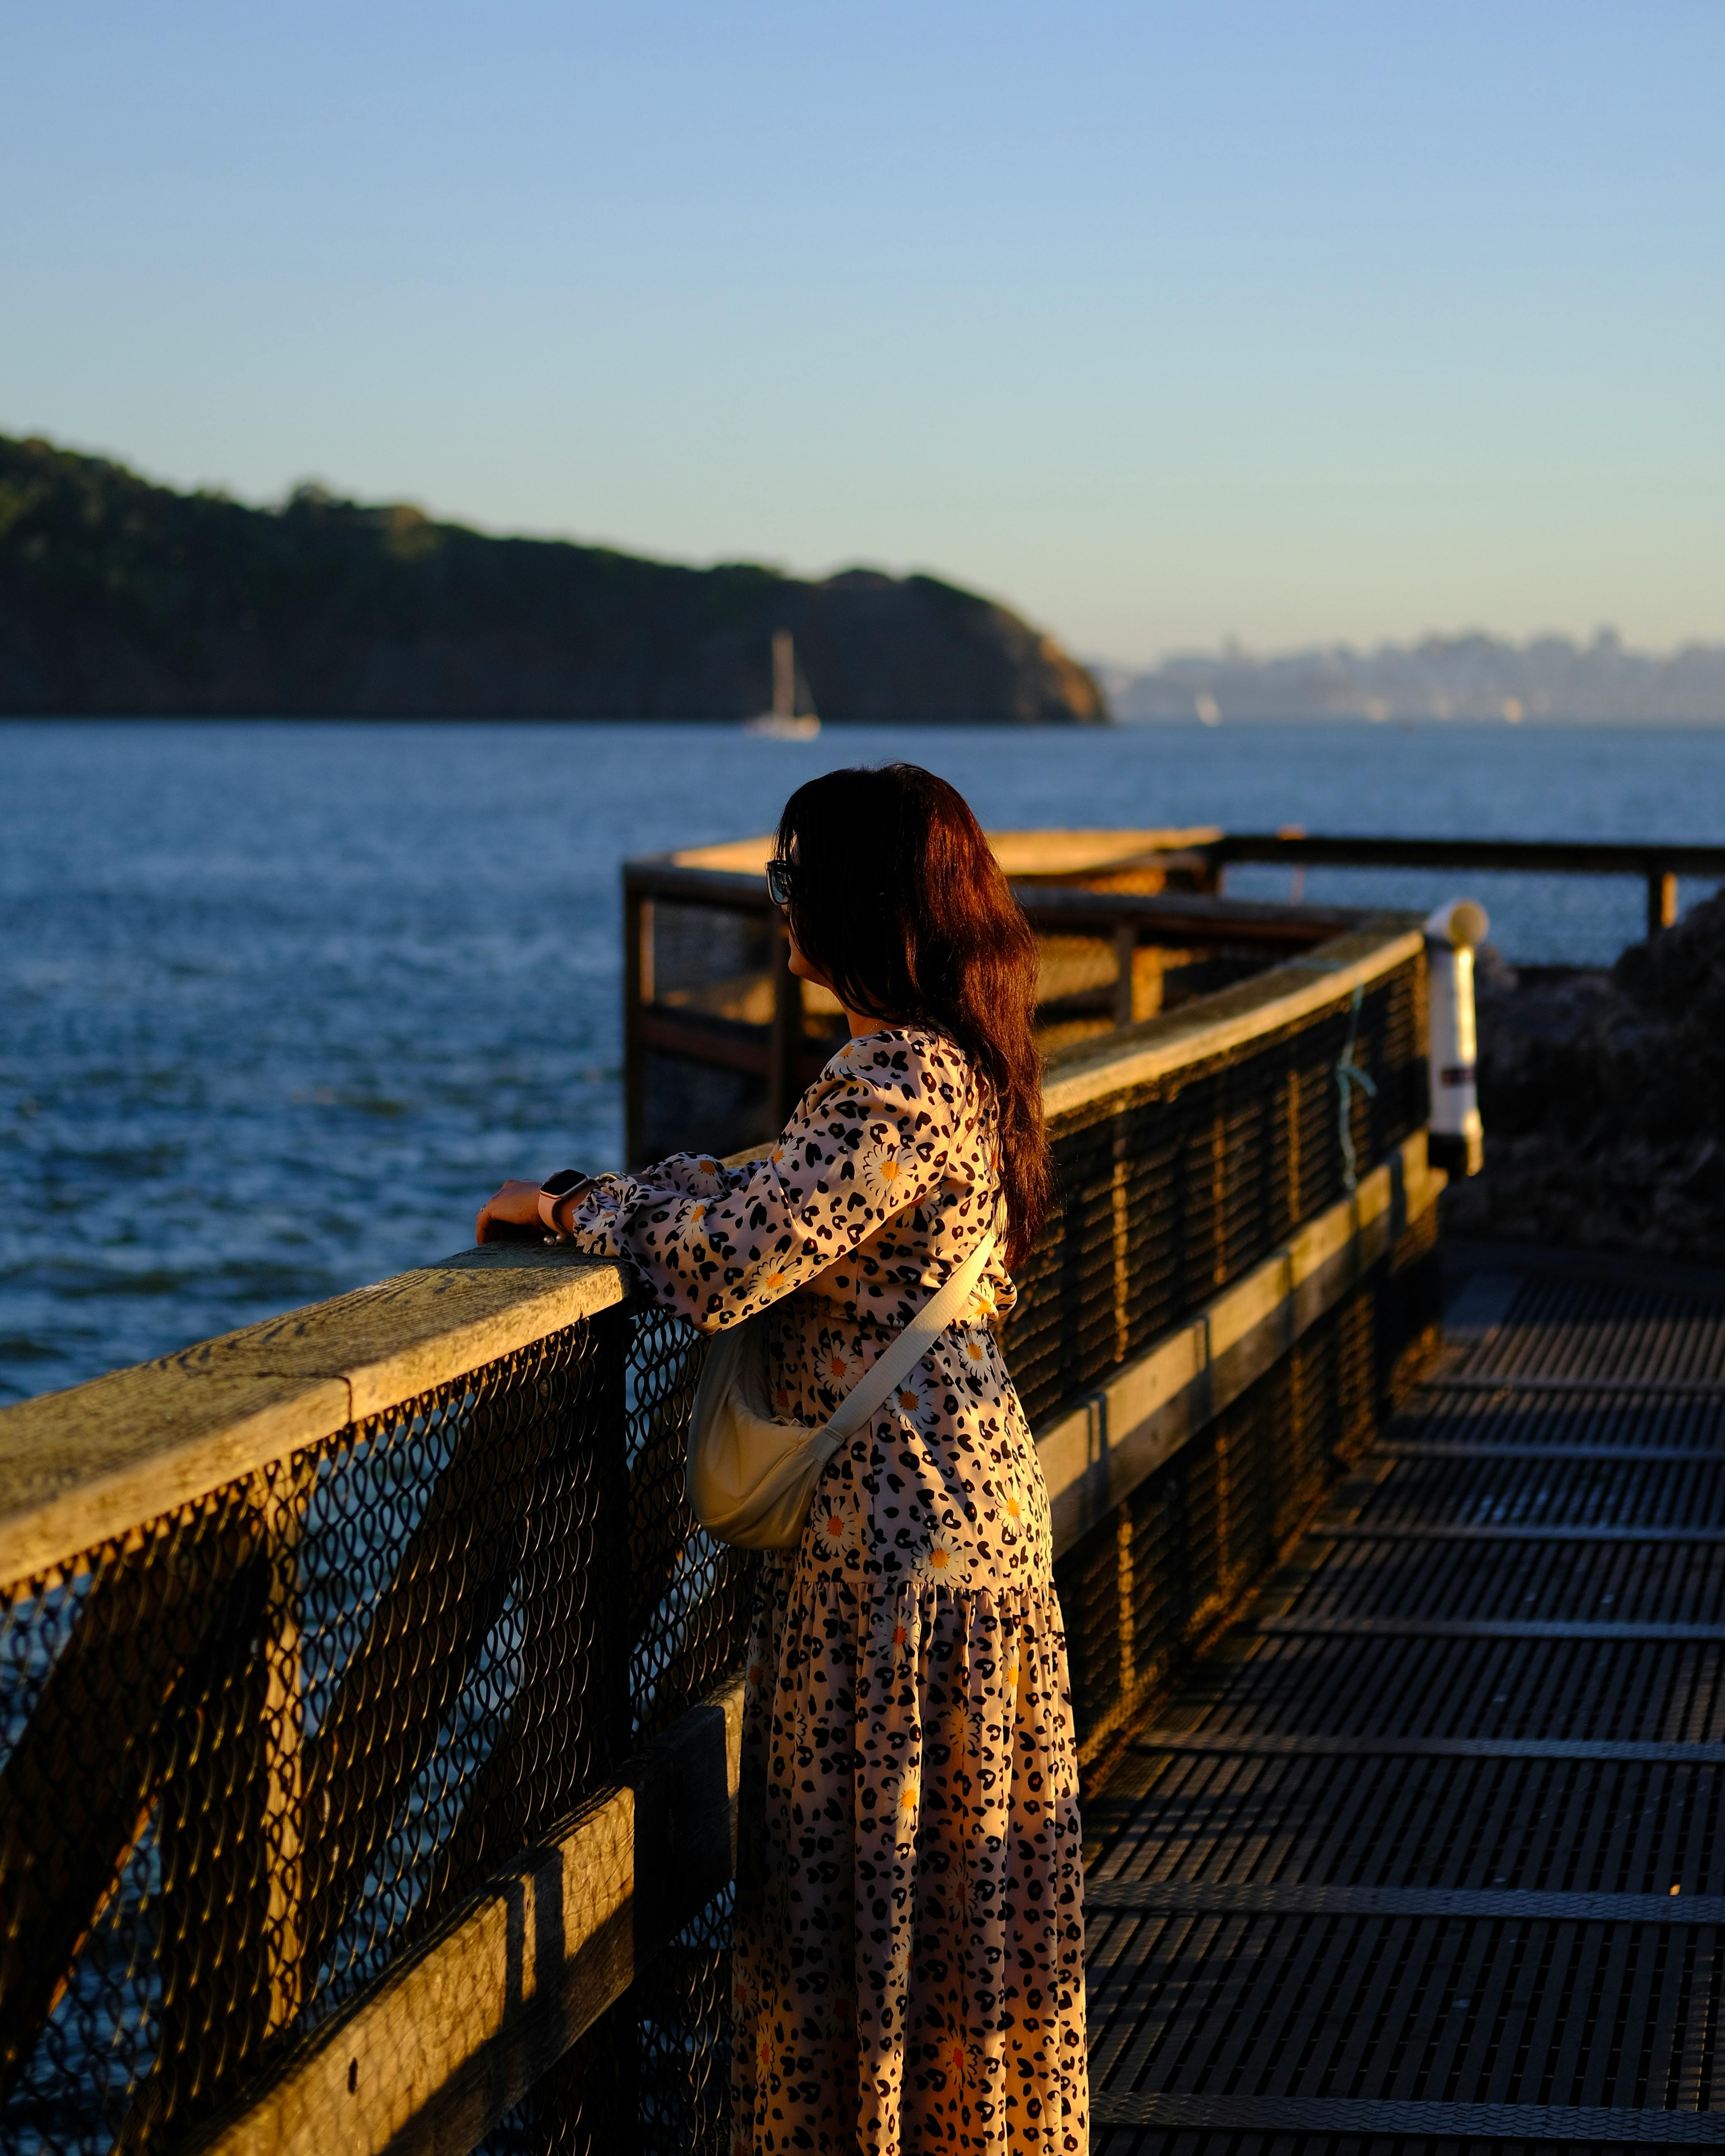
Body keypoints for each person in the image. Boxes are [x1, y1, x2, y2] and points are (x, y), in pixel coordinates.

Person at [478, 764, 1087, 2155]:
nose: (781, 904)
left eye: (795, 878)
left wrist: (576, 1206)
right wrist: (643, 1193)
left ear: (866, 905)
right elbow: (764, 1196)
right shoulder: (954, 1064)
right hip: (949, 1532)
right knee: (949, 1909)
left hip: (901, 1557)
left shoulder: (900, 1075)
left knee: (863, 1901)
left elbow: (736, 1257)